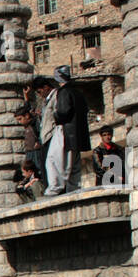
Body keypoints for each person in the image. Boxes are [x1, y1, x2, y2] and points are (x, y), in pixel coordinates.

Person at [45, 65, 90, 195]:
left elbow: (64, 112)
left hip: (66, 132)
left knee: (55, 160)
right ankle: (73, 189)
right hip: (77, 134)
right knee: (73, 166)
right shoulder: (78, 92)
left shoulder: (64, 92)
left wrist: (55, 115)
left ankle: (55, 188)